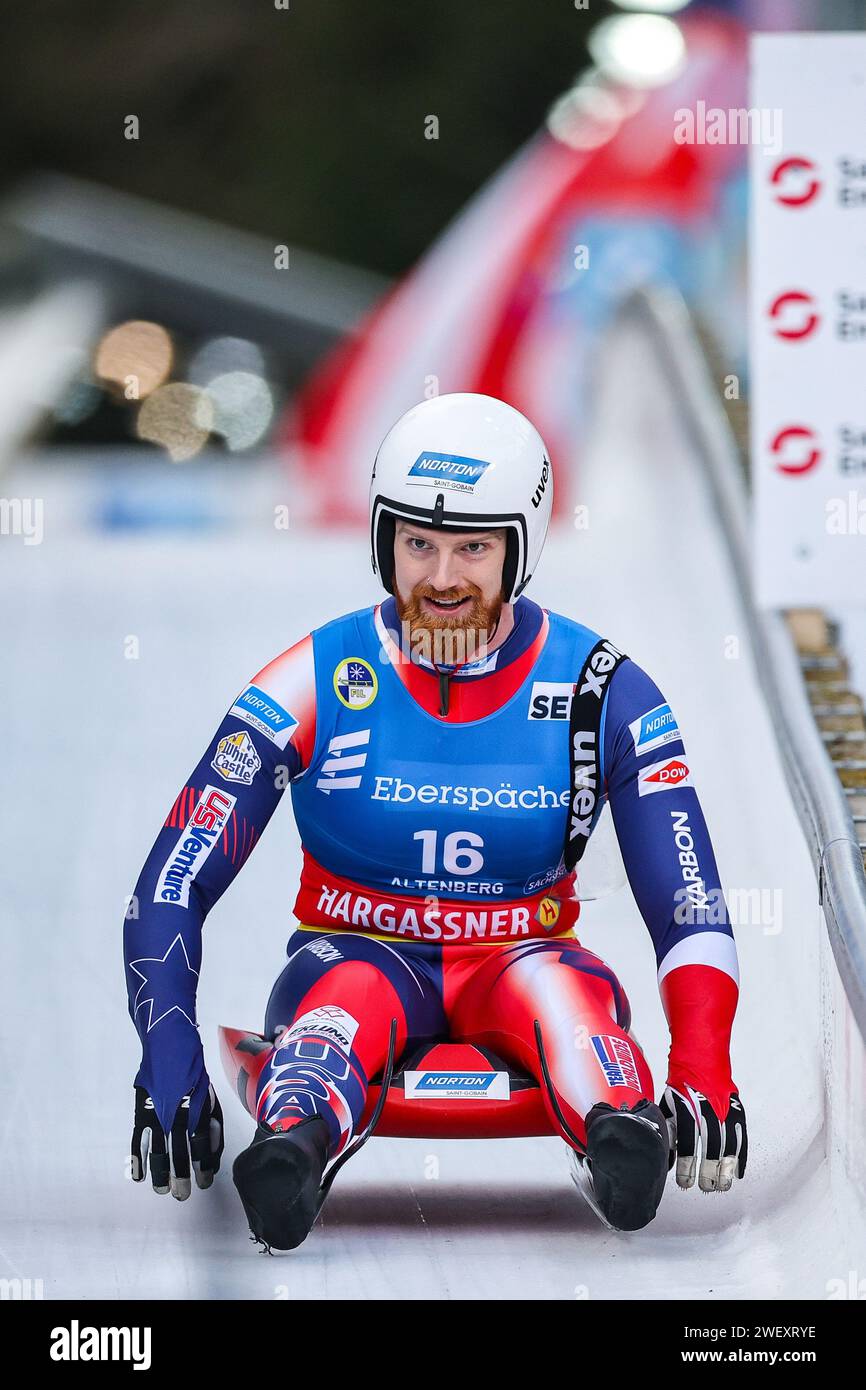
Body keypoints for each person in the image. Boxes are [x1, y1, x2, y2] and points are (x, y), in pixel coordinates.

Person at [124, 392, 747, 1249]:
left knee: (569, 1001)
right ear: (383, 541)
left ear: (521, 550)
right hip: (357, 956)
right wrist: (167, 1059)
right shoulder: (309, 678)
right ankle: (292, 1148)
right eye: (419, 543)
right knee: (339, 1006)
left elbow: (688, 899)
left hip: (523, 958)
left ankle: (619, 1132)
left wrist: (704, 1062)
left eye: (474, 548)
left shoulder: (605, 689)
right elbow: (171, 881)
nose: (444, 579)